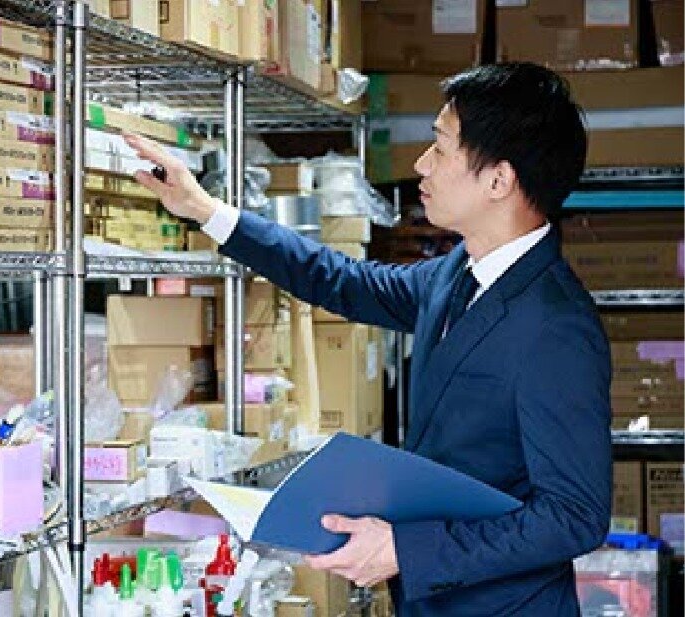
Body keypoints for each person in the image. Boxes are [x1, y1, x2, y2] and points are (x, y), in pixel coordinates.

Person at [123, 62, 611, 616]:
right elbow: (346, 282)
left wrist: (406, 549)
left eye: (440, 147)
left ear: (498, 181)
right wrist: (206, 212)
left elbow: (574, 516)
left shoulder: (556, 327)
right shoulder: (459, 273)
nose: (421, 164)